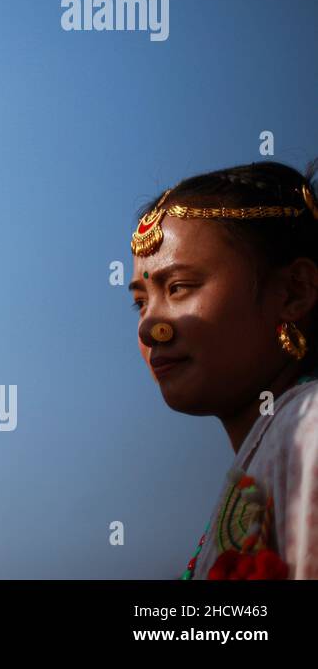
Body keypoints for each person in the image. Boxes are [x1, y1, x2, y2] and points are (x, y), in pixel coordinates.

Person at [128, 161, 318, 579]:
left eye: (178, 288)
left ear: (294, 291)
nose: (149, 325)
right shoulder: (274, 448)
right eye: (140, 302)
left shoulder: (309, 428)